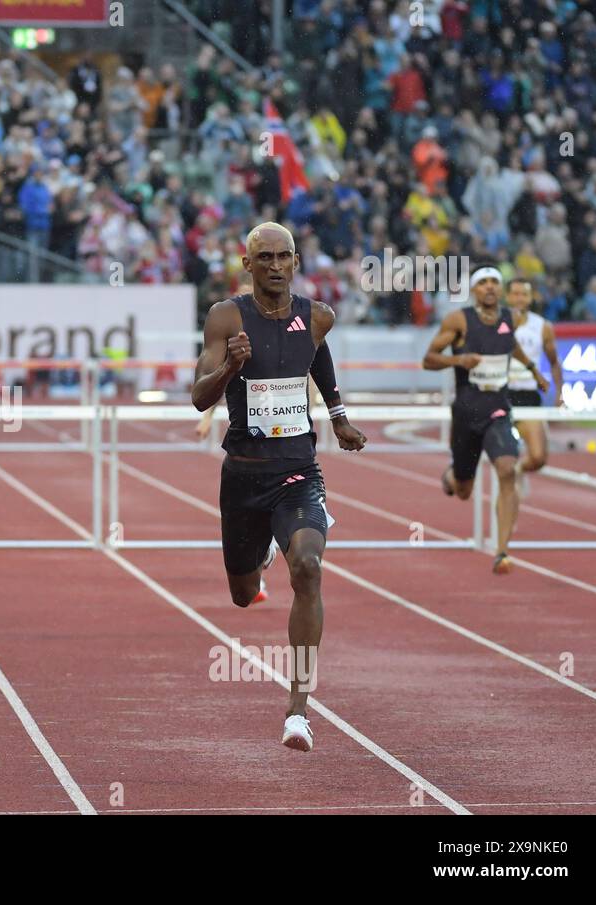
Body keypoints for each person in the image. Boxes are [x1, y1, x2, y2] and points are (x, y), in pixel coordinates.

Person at [191, 223, 368, 752]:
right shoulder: (225, 317)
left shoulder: (318, 317)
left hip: (297, 470)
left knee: (309, 567)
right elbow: (200, 398)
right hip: (244, 473)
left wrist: (338, 418)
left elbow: (320, 360)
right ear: (247, 265)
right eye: (263, 257)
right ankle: (264, 548)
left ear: (296, 262)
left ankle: (298, 711)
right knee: (244, 597)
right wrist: (230, 366)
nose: (274, 265)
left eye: (284, 256)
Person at [422, 266, 549, 574]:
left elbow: (510, 346)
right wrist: (458, 360)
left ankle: (501, 551)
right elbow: (429, 359)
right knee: (464, 489)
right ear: (475, 290)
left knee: (507, 469)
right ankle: (453, 475)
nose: (490, 287)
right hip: (467, 411)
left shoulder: (511, 318)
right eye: (484, 283)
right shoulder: (459, 320)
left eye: (495, 282)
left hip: (498, 408)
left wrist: (533, 369)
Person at [504, 276, 563, 486]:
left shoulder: (542, 327)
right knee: (500, 460)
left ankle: (518, 470)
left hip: (527, 395)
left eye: (524, 294)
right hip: (500, 394)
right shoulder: (494, 322)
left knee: (538, 457)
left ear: (531, 298)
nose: (520, 298)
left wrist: (559, 395)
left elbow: (555, 362)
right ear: (508, 296)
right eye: (516, 293)